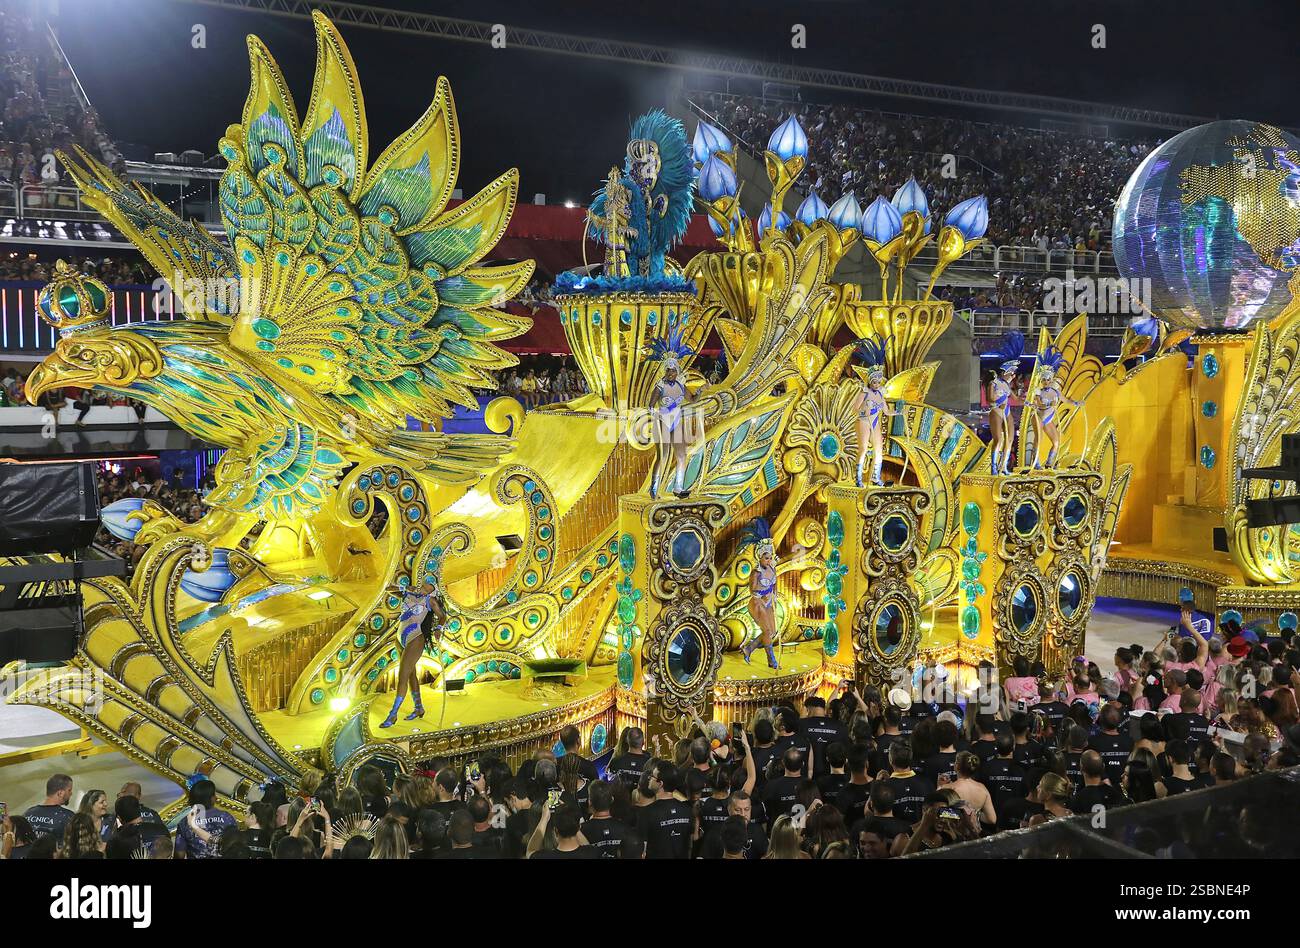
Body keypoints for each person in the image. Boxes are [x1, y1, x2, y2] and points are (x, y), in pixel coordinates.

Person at [379, 577, 447, 727]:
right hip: (400, 638)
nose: (426, 586)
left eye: (430, 585)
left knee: (402, 678)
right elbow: (388, 588)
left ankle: (393, 714)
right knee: (410, 675)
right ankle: (418, 708)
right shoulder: (408, 594)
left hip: (415, 638)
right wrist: (405, 587)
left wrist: (438, 628)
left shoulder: (430, 601)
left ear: (433, 590)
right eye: (425, 583)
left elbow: (442, 616)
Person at [647, 325, 704, 498]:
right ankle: (654, 487)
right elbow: (650, 405)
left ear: (677, 371)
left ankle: (678, 488)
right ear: (665, 371)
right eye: (668, 370)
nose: (671, 373)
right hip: (663, 421)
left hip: (676, 422)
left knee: (681, 455)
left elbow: (692, 399)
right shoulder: (660, 385)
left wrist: (701, 390)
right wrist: (658, 413)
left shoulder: (681, 385)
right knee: (663, 456)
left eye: (673, 370)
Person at [850, 339, 898, 487]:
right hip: (863, 421)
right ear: (870, 381)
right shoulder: (864, 393)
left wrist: (898, 412)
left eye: (879, 381)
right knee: (863, 448)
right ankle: (858, 479)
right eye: (874, 381)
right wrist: (863, 410)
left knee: (879, 451)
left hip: (875, 422)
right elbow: (854, 410)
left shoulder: (880, 395)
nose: (877, 384)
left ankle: (876, 478)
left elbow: (886, 412)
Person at [739, 517, 780, 669]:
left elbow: (775, 583)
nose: (769, 560)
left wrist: (774, 596)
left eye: (770, 557)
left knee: (773, 631)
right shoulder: (756, 572)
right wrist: (763, 594)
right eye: (766, 557)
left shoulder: (771, 568)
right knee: (767, 631)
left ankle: (748, 648)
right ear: (759, 557)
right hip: (757, 602)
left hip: (769, 601)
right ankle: (771, 660)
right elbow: (752, 589)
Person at [1029, 346, 1080, 468]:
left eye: (1048, 379)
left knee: (1056, 442)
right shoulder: (1038, 391)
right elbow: (1039, 404)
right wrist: (1048, 404)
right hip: (1038, 417)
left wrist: (1077, 403)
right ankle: (1035, 463)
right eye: (1043, 379)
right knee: (1038, 439)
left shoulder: (1056, 391)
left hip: (1048, 420)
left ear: (1051, 379)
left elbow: (1066, 400)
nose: (1046, 381)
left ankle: (1049, 463)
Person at [986, 332, 1022, 475]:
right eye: (1012, 373)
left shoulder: (1007, 386)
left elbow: (1016, 399)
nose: (1013, 376)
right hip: (996, 411)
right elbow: (990, 399)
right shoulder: (994, 383)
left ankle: (1004, 467)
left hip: (1006, 412)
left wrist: (1029, 402)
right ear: (1005, 371)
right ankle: (994, 467)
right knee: (998, 439)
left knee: (1010, 440)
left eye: (1014, 374)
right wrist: (997, 396)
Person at [174, 778, 237, 859]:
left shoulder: (185, 822)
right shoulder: (227, 818)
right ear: (212, 798)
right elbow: (236, 847)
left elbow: (179, 854)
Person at [24, 773, 74, 840]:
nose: (71, 793)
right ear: (60, 793)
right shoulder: (68, 816)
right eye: (69, 790)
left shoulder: (28, 813)